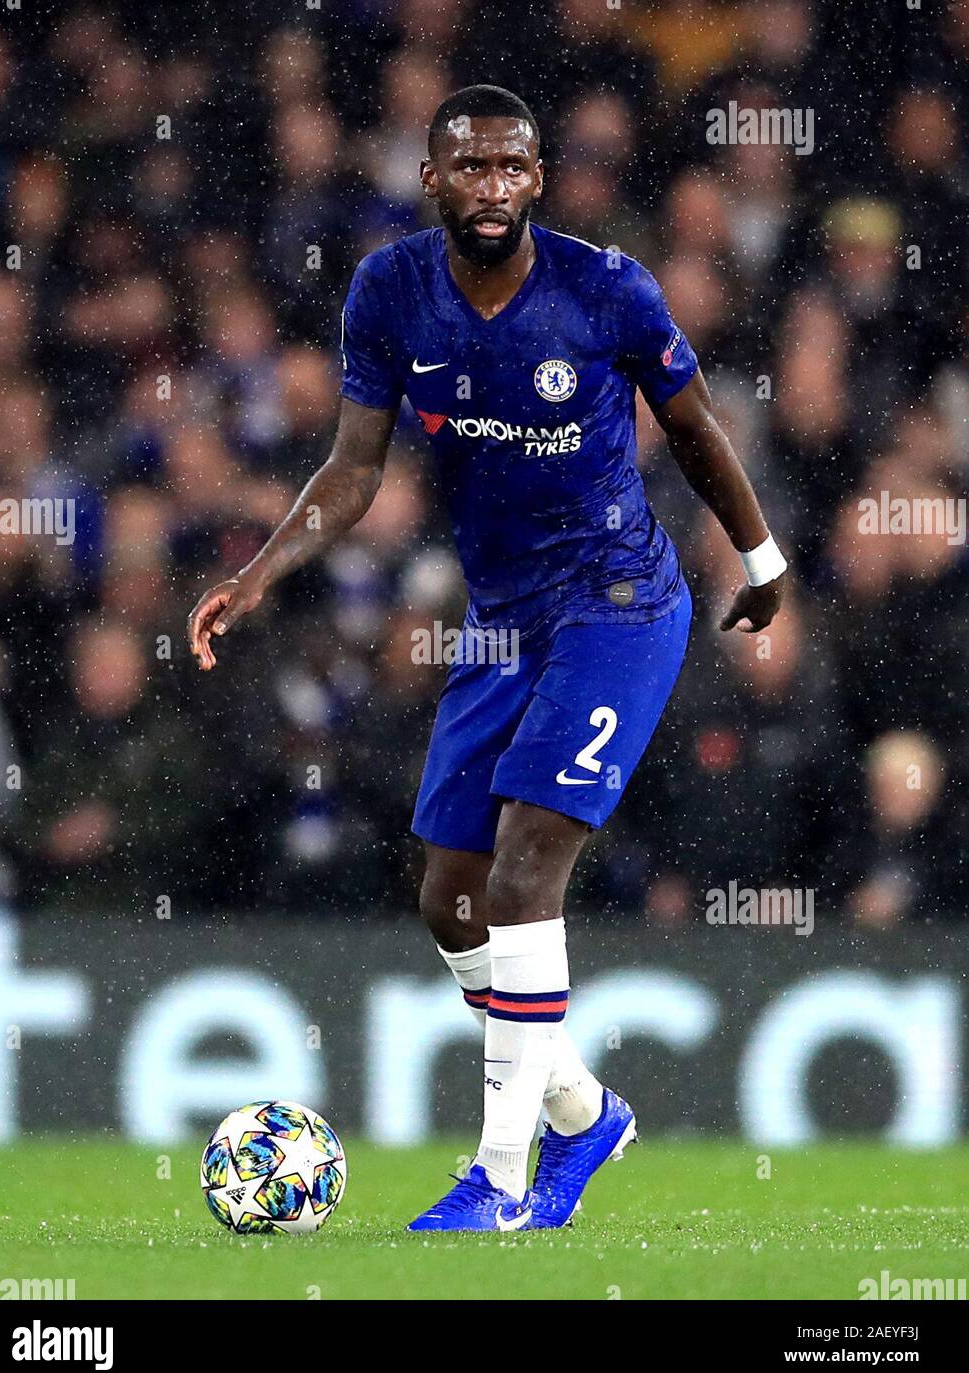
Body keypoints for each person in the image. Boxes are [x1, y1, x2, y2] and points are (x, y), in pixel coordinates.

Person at [188, 85, 786, 1232]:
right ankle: (579, 1112)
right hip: (501, 619)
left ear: (539, 179)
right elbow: (354, 466)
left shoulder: (604, 288)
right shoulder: (392, 291)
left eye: (514, 167)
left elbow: (696, 423)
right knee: (449, 899)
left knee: (522, 867)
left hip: (616, 605)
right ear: (431, 180)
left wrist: (760, 558)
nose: (494, 187)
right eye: (471, 168)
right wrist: (261, 571)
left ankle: (500, 1184)